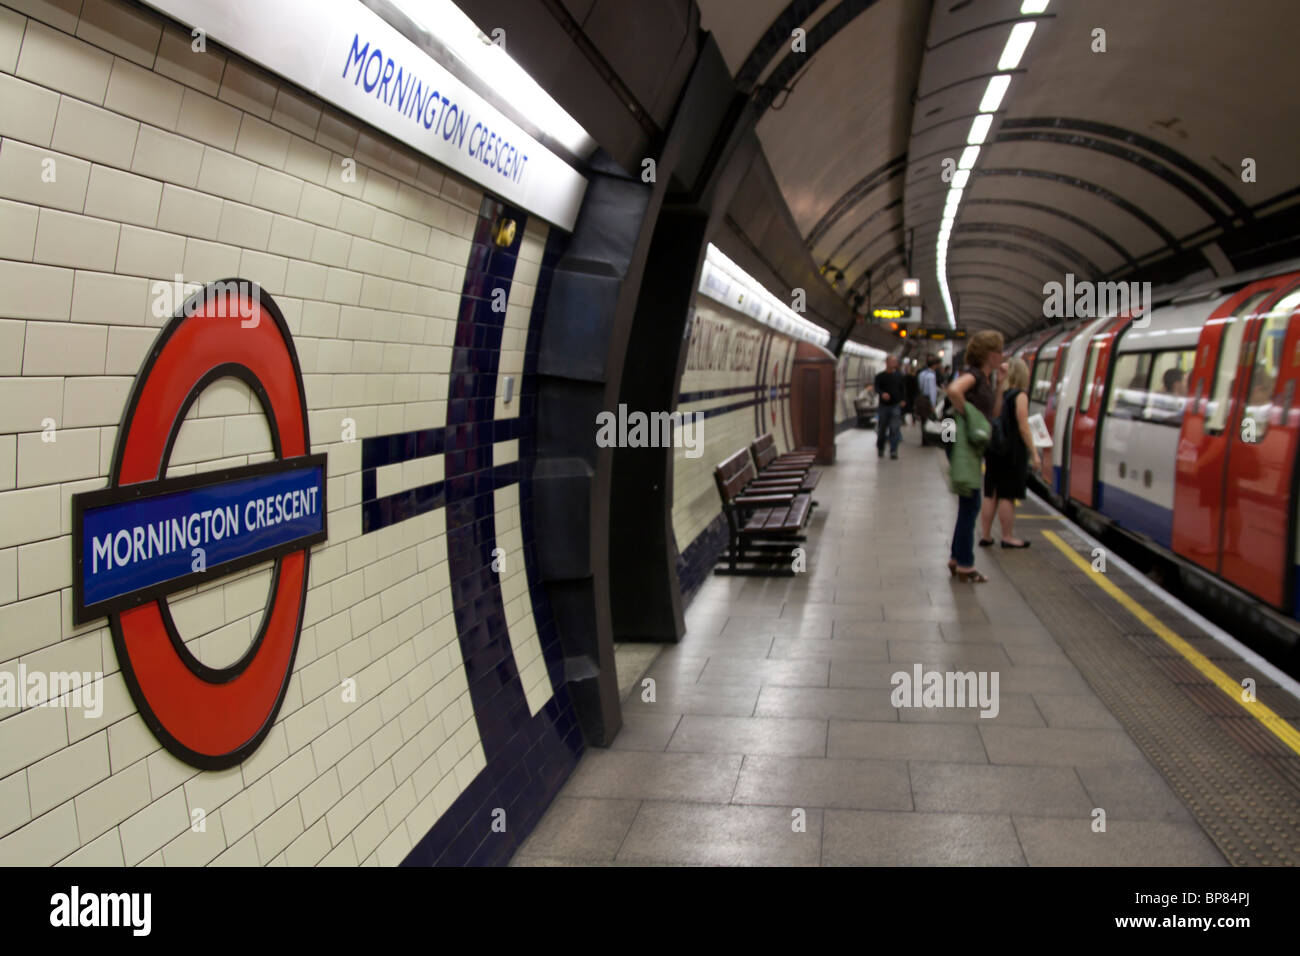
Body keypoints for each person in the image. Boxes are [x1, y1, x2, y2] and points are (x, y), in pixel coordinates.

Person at [945, 330, 1005, 582]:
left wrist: (1001, 384)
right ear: (991, 355)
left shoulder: (987, 379)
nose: (1003, 356)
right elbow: (953, 390)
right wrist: (970, 417)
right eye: (1000, 352)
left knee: (968, 504)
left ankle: (957, 558)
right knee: (971, 504)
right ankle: (966, 566)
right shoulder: (974, 376)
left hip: (969, 445)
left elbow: (994, 412)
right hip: (964, 444)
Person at [978, 358, 1040, 549]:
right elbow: (1023, 426)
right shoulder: (1019, 395)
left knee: (991, 494)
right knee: (1007, 495)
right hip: (1011, 451)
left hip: (994, 448)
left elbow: (994, 416)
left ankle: (986, 535)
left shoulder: (1001, 394)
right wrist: (1034, 453)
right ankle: (1007, 536)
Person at [868, 354, 905, 459]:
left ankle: (893, 451)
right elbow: (876, 388)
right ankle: (881, 448)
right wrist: (882, 393)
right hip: (883, 406)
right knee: (882, 428)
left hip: (895, 405)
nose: (894, 363)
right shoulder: (880, 376)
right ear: (887, 362)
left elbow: (902, 389)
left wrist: (903, 400)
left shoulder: (899, 376)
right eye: (892, 361)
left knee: (894, 429)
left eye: (895, 361)